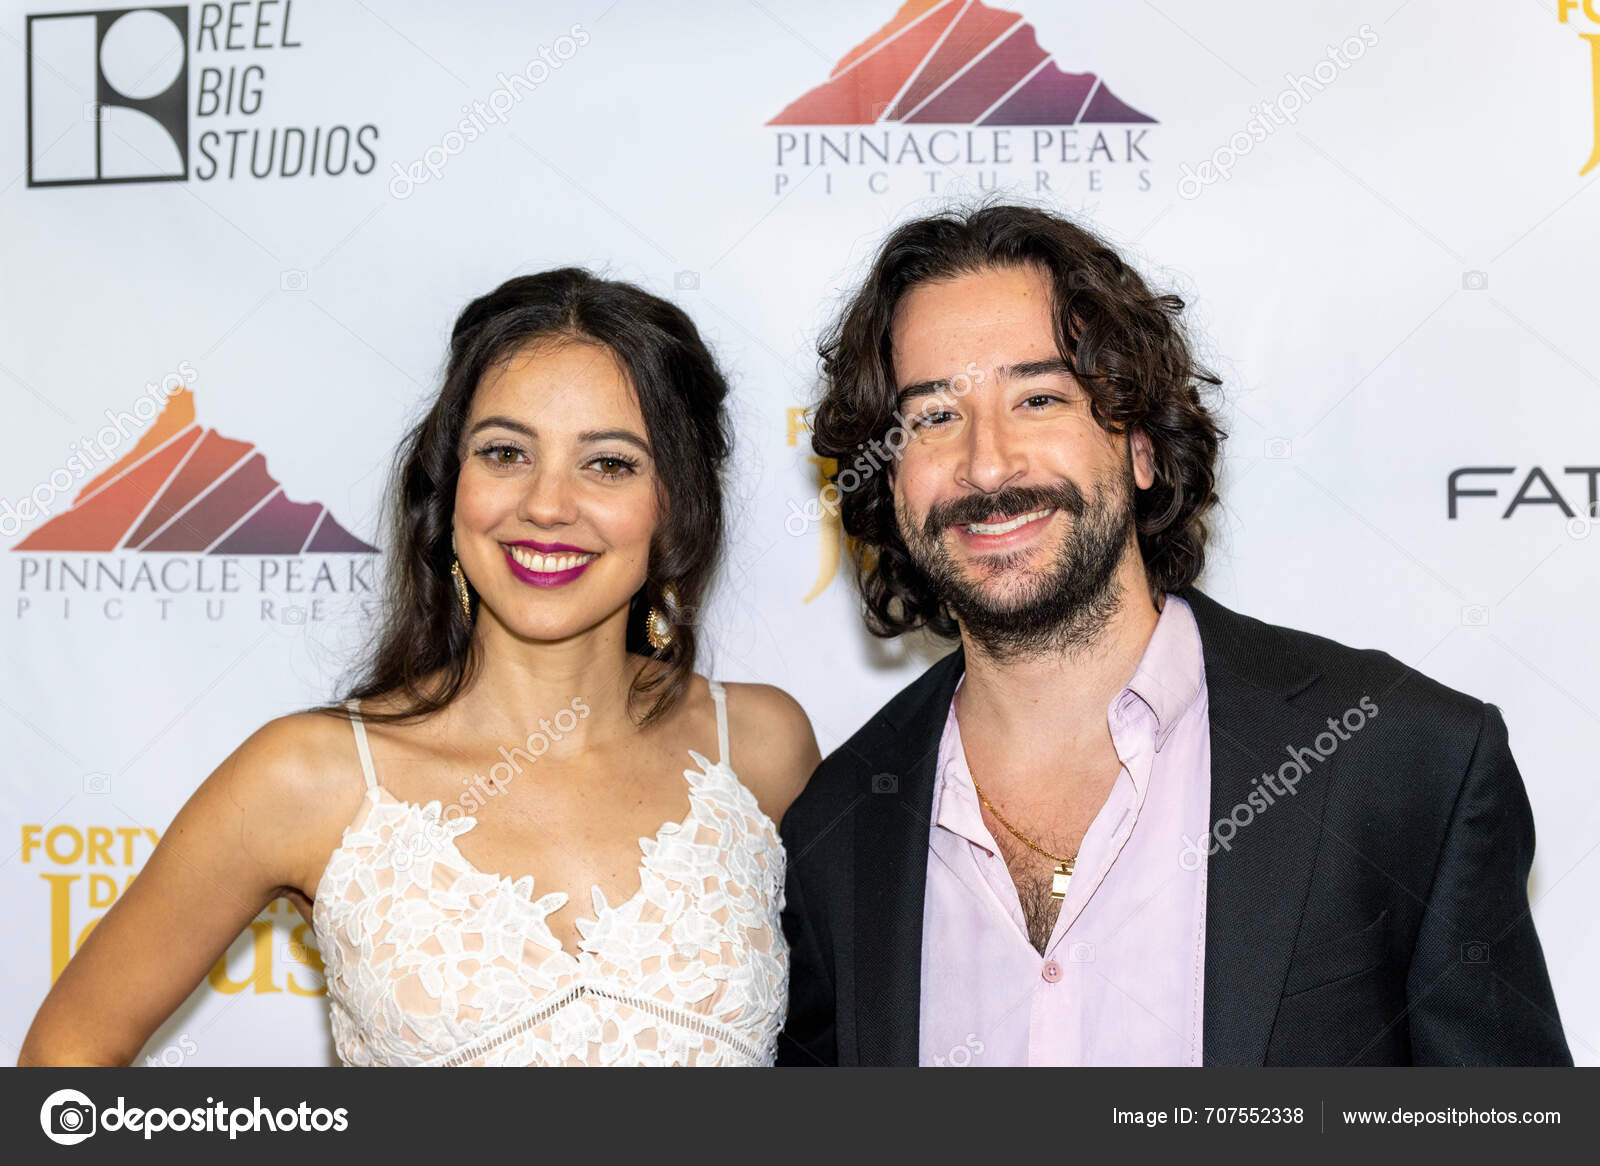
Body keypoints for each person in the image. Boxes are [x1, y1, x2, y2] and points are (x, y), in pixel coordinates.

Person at [778, 204, 1571, 1067]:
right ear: (888, 476)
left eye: (1039, 398)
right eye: (933, 416)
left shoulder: (1399, 764)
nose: (989, 463)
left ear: (1143, 446)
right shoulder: (838, 829)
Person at [20, 268, 819, 1067]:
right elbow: (66, 1060)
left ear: (673, 503)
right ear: (451, 486)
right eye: (505, 452)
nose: (546, 504)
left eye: (608, 463)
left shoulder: (758, 746)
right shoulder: (309, 776)